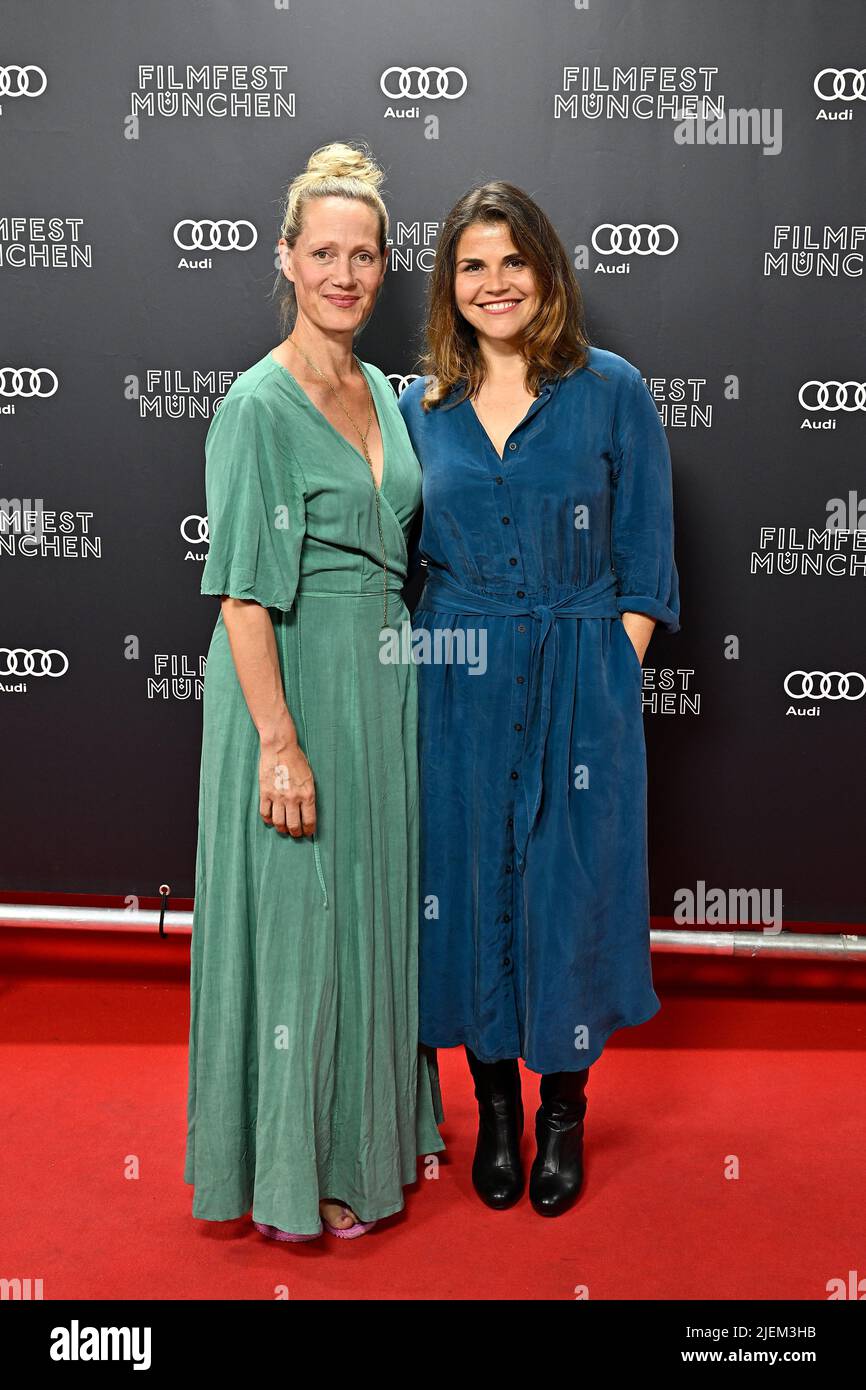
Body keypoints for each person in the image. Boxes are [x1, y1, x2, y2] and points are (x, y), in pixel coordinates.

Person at [398, 181, 680, 1218]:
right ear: (449, 285)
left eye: (511, 260)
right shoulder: (416, 405)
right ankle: (494, 1111)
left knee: (568, 887)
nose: (494, 282)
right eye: (472, 265)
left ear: (546, 269)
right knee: (468, 883)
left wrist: (608, 674)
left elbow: (645, 559)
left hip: (579, 673)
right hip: (454, 682)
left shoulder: (612, 389)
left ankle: (561, 1108)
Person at [185, 141, 444, 1243]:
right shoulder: (257, 402)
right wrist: (279, 744)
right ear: (284, 258)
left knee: (375, 912)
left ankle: (376, 1132)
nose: (344, 272)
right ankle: (306, 1168)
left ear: (385, 268)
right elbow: (244, 598)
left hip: (381, 686)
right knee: (304, 925)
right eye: (323, 252)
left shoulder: (386, 397)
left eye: (365, 254)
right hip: (285, 686)